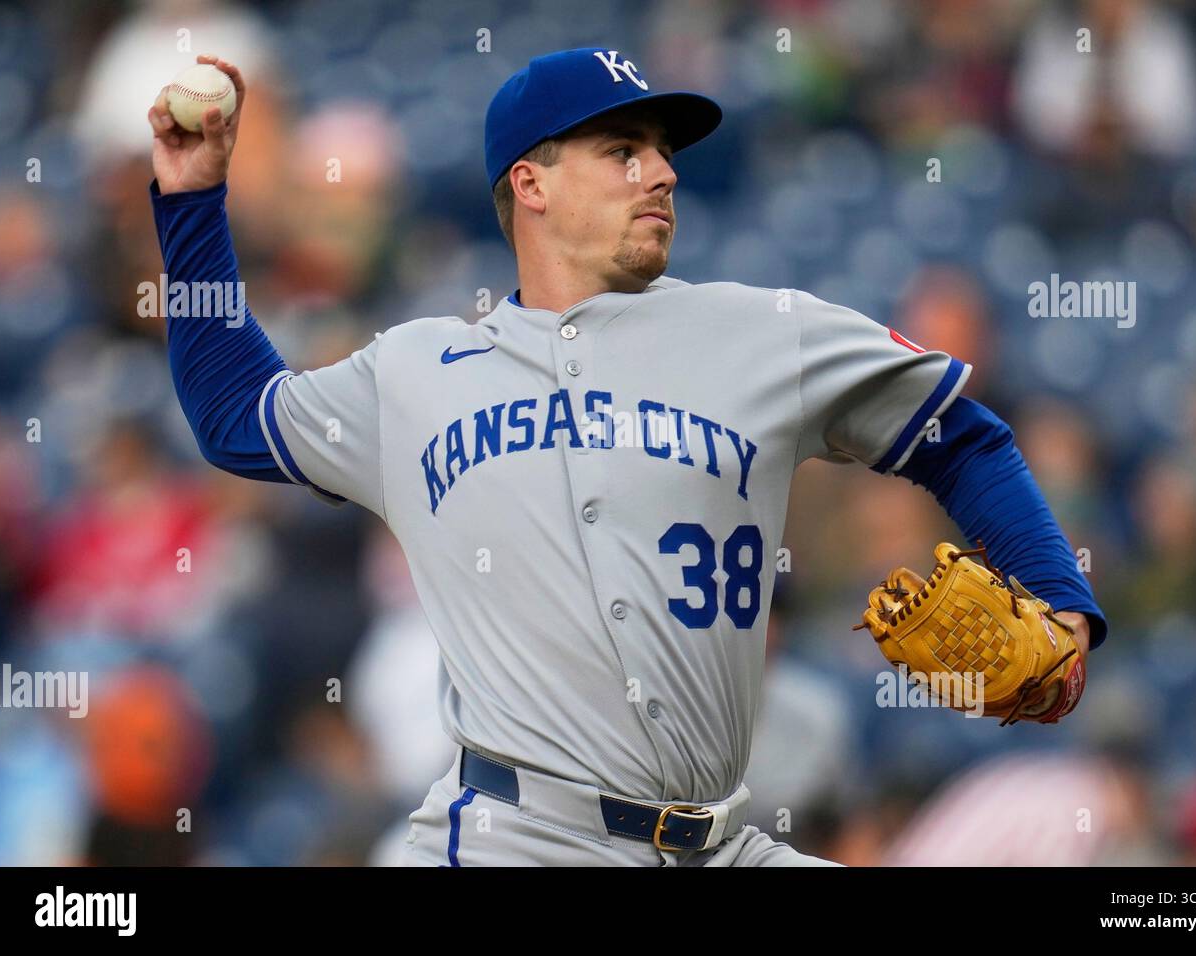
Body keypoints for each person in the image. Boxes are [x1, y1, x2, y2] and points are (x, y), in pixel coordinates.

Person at [146, 47, 1106, 866]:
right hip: (512, 842)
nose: (662, 172)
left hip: (722, 840)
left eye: (663, 152)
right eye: (623, 151)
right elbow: (236, 413)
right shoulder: (415, 372)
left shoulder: (765, 333)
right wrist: (191, 203)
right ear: (531, 182)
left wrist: (1060, 602)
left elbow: (962, 437)